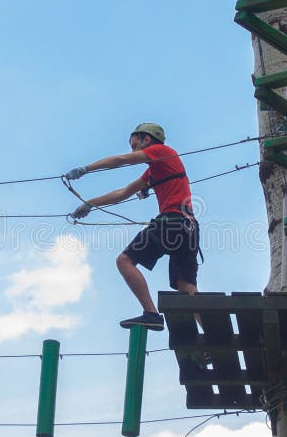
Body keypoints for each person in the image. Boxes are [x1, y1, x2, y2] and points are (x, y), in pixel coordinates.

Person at [66, 123, 200, 332]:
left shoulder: (161, 151)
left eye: (134, 143)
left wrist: (86, 169)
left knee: (125, 260)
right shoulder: (154, 171)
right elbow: (124, 193)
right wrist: (90, 203)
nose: (132, 149)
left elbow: (121, 160)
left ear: (146, 139)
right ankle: (211, 335)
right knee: (186, 287)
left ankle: (151, 314)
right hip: (189, 228)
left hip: (172, 222)